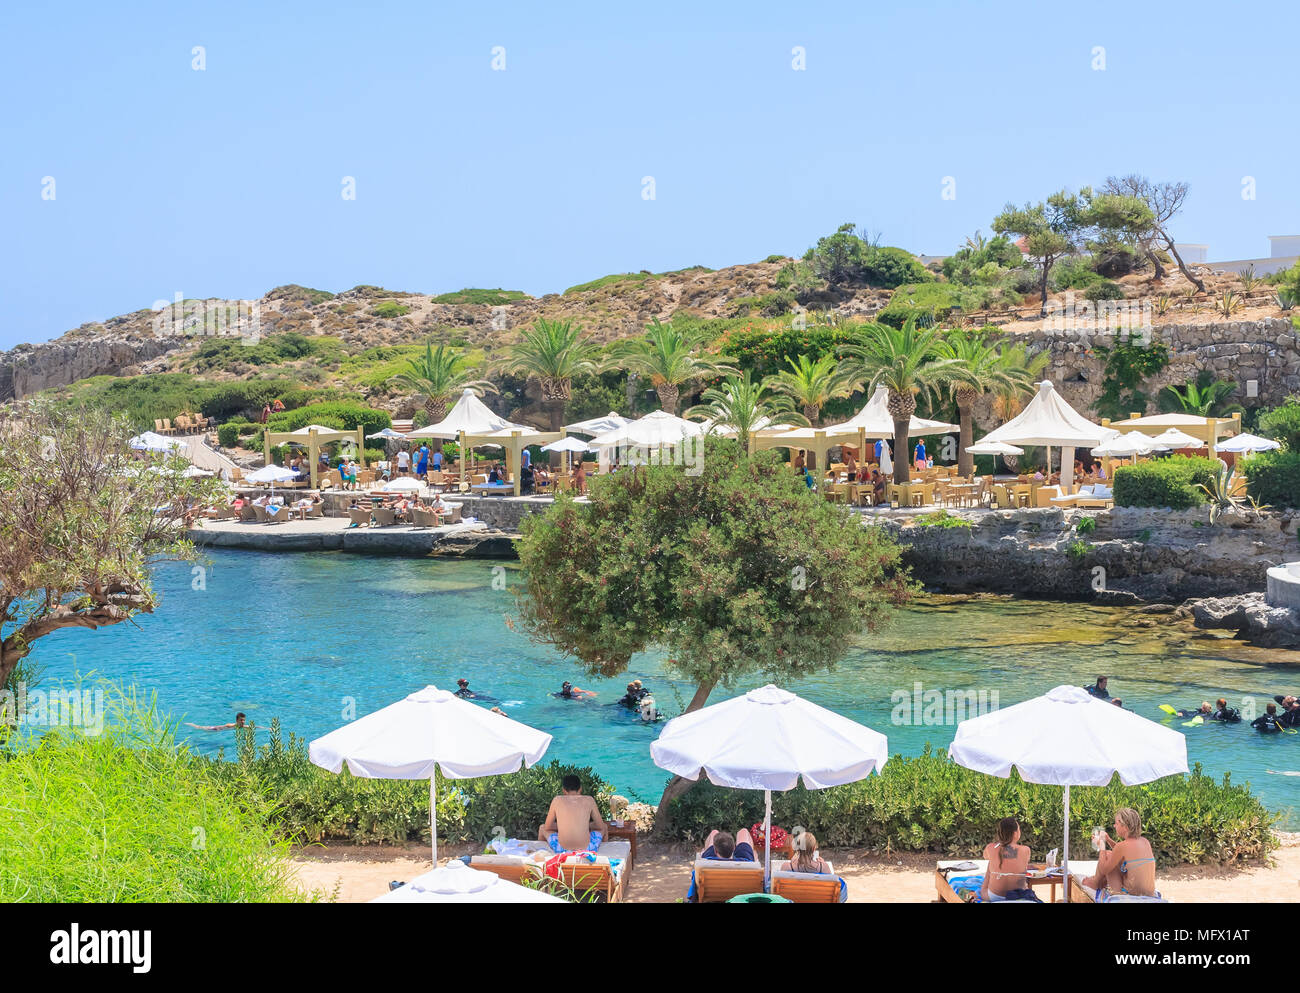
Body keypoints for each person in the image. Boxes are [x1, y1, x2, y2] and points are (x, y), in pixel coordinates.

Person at [1081, 807, 1157, 900]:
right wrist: (1108, 840)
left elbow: (1104, 869)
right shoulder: (1145, 841)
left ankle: (1096, 882)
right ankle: (1097, 881)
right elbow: (1123, 854)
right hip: (1149, 893)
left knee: (1108, 855)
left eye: (1116, 823)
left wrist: (1102, 845)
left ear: (1124, 826)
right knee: (1110, 855)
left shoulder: (1122, 846)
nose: (1114, 826)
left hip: (1129, 894)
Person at [537, 774, 607, 853]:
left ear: (564, 790)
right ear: (580, 788)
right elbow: (600, 826)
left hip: (561, 849)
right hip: (587, 849)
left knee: (542, 828)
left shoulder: (557, 800)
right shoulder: (589, 800)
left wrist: (564, 825)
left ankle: (542, 854)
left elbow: (547, 827)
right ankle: (604, 854)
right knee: (604, 827)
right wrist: (583, 825)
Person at [685, 827, 757, 902]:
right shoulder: (748, 863)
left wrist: (704, 853)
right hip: (743, 878)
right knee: (743, 831)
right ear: (734, 849)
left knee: (714, 832)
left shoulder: (705, 863)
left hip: (712, 884)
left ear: (715, 851)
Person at [980, 817, 1041, 903]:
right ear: (1015, 833)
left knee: (991, 863)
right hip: (1018, 895)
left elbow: (985, 856)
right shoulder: (1026, 850)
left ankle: (984, 890)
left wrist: (997, 849)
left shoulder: (990, 848)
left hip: (995, 896)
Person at [778, 830, 848, 902]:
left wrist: (791, 862)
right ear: (814, 848)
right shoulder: (823, 867)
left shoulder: (786, 867)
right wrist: (823, 864)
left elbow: (779, 895)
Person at [186, 712, 251, 731]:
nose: (243, 722)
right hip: (215, 729)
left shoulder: (244, 726)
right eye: (241, 720)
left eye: (244, 720)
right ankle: (191, 724)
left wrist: (261, 727)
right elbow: (220, 727)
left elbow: (254, 727)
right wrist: (216, 729)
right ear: (237, 720)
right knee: (199, 727)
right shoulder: (230, 725)